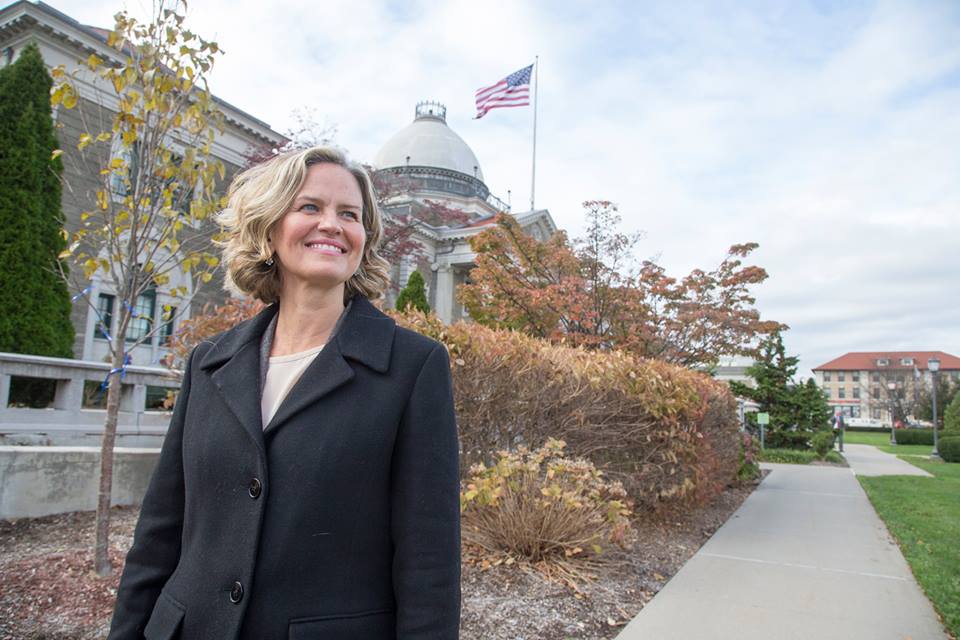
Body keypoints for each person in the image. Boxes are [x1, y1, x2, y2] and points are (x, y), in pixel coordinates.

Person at [108, 146, 461, 639]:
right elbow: (159, 533)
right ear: (270, 229)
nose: (333, 225)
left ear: (364, 239)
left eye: (350, 214)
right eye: (310, 207)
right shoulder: (210, 362)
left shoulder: (412, 367)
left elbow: (429, 563)